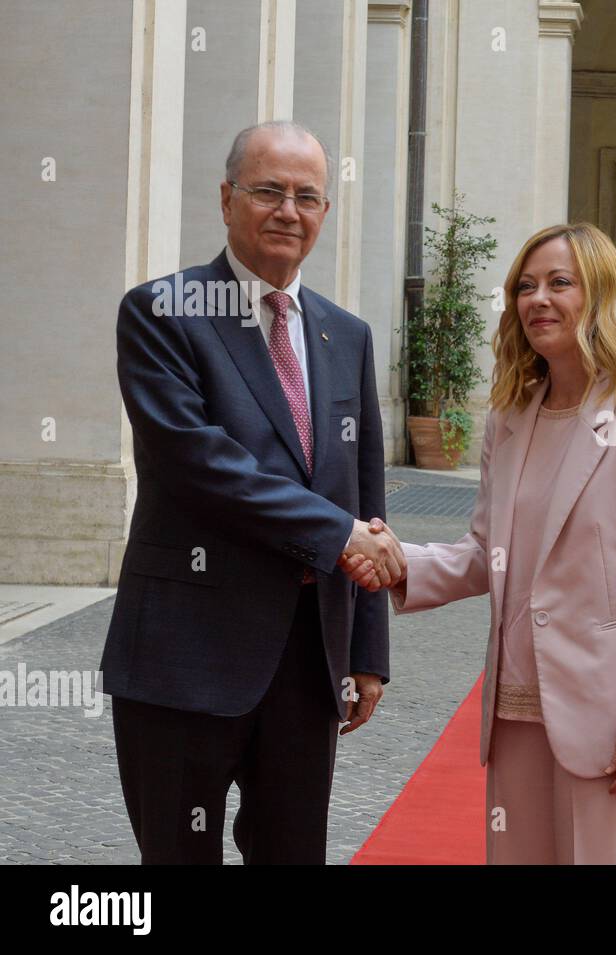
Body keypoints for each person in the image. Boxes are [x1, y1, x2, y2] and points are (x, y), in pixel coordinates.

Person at [344, 222, 616, 865]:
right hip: (515, 707)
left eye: (559, 283)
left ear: (600, 295)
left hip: (612, 713)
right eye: (525, 286)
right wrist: (397, 562)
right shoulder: (509, 418)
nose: (537, 298)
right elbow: (486, 550)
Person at [102, 121, 403, 864]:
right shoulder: (163, 312)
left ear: (325, 212)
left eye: (307, 196)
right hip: (184, 657)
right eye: (269, 190)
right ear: (227, 197)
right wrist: (337, 536)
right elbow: (201, 464)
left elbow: (366, 493)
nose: (288, 211)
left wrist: (367, 648)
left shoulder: (347, 334)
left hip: (307, 662)